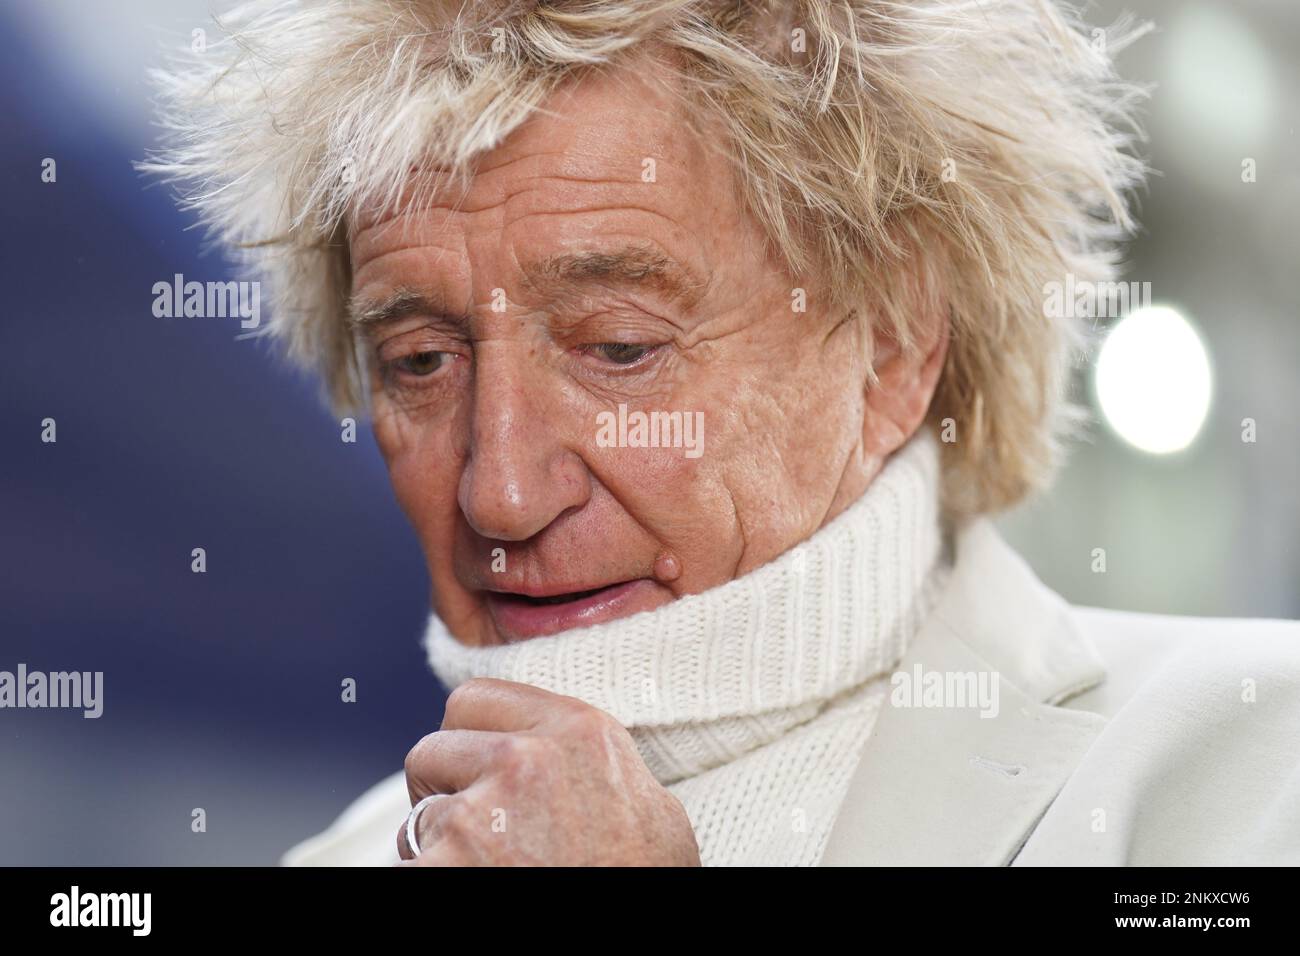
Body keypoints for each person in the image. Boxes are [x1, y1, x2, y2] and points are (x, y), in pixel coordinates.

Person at [146, 0, 1300, 866]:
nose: (497, 490)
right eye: (421, 363)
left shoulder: (1250, 758)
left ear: (893, 346)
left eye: (616, 348)